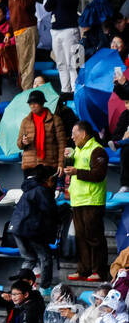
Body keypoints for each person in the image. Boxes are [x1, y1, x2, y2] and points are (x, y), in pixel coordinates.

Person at [66, 120, 110, 281]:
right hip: (77, 200)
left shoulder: (97, 150)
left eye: (74, 134)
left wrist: (77, 171)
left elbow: (99, 175)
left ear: (83, 134)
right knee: (81, 237)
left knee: (94, 237)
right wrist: (67, 159)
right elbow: (70, 170)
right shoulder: (77, 150)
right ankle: (83, 270)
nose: (72, 137)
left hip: (92, 200)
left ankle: (99, 270)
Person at [11, 165, 59, 286]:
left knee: (30, 258)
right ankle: (44, 287)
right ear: (48, 179)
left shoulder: (29, 187)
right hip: (30, 229)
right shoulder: (41, 190)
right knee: (46, 257)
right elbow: (50, 210)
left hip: (17, 228)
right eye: (53, 180)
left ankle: (20, 288)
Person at [45, 0, 83, 98]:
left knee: (72, 61)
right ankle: (65, 89)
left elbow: (66, 3)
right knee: (60, 62)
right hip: (56, 29)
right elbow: (47, 7)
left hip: (69, 29)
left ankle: (75, 90)